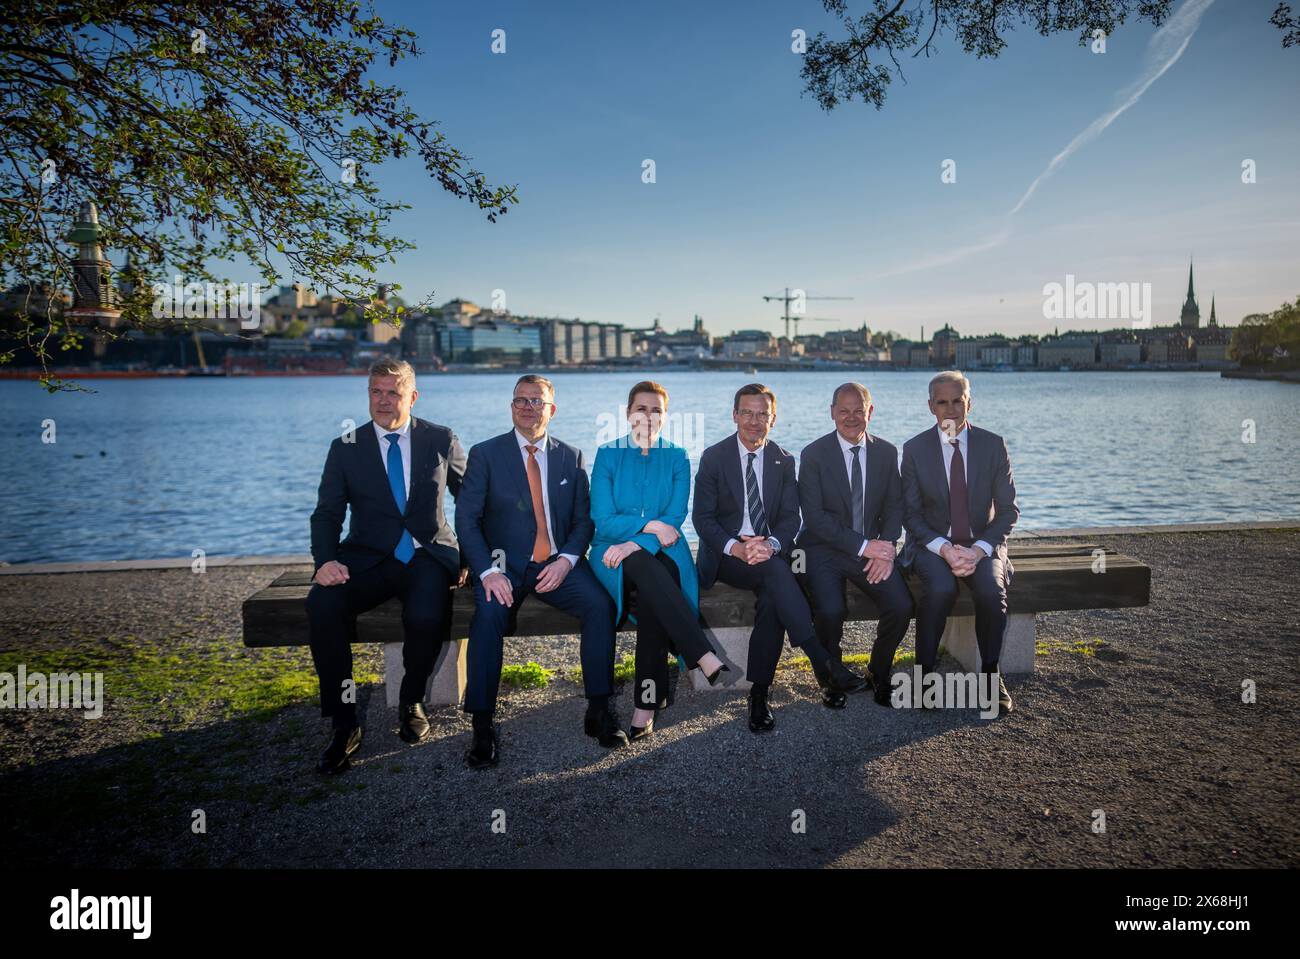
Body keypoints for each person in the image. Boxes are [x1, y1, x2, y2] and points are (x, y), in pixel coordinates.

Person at [307, 358, 467, 774]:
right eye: (375, 391)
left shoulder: (440, 438)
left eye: (393, 392)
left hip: (427, 554)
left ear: (412, 396)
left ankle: (411, 700)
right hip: (366, 557)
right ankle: (344, 724)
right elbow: (326, 513)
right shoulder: (345, 446)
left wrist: (471, 557)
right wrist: (324, 561)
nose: (383, 400)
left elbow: (471, 502)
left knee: (427, 614)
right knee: (322, 607)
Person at [455, 374, 624, 768]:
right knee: (489, 617)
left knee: (600, 606)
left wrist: (567, 560)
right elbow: (466, 520)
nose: (528, 408)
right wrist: (486, 572)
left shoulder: (571, 456)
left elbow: (584, 521)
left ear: (552, 409)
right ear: (511, 406)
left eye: (537, 401)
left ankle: (599, 708)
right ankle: (482, 723)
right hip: (502, 566)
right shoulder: (486, 454)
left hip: (555, 563)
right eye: (521, 400)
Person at [693, 384, 868, 734]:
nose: (754, 421)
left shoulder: (784, 460)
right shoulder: (714, 457)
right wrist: (737, 547)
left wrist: (771, 544)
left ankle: (759, 696)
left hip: (769, 554)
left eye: (762, 414)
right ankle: (823, 663)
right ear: (734, 416)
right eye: (747, 413)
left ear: (773, 419)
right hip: (728, 555)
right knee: (778, 575)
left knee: (774, 593)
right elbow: (703, 519)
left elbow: (791, 519)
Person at [589, 381, 733, 741]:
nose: (648, 416)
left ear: (665, 417)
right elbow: (603, 519)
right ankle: (699, 653)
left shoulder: (678, 457)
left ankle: (646, 705)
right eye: (641, 408)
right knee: (644, 571)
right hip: (610, 553)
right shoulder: (608, 455)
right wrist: (646, 528)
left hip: (665, 552)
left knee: (653, 582)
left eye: (656, 410)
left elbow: (676, 514)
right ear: (628, 413)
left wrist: (635, 542)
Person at [900, 370, 1019, 713]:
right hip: (932, 545)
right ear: (930, 407)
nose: (950, 409)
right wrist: (946, 549)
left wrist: (980, 550)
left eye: (957, 400)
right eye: (942, 402)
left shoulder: (992, 445)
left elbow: (1009, 511)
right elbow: (911, 515)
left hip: (982, 544)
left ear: (969, 402)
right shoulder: (915, 449)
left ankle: (990, 675)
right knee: (939, 589)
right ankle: (923, 675)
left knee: (990, 592)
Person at [796, 382, 915, 707]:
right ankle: (830, 675)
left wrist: (887, 547)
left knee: (902, 605)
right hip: (822, 548)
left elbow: (895, 506)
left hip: (873, 549)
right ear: (832, 413)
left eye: (858, 410)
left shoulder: (887, 452)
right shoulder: (813, 455)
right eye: (844, 410)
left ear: (870, 412)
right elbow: (815, 517)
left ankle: (878, 671)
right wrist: (866, 546)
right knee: (831, 609)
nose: (851, 417)